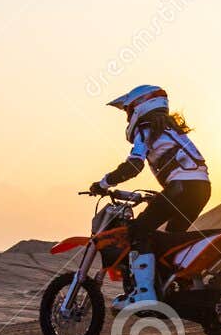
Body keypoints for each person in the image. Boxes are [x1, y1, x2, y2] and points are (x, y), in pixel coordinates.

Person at [89, 85, 210, 305]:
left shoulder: (145, 129)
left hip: (180, 188)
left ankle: (145, 293)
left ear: (139, 107)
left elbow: (134, 166)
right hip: (201, 189)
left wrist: (103, 183)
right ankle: (181, 287)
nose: (127, 119)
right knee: (171, 238)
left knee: (137, 231)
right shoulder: (171, 129)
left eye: (128, 112)